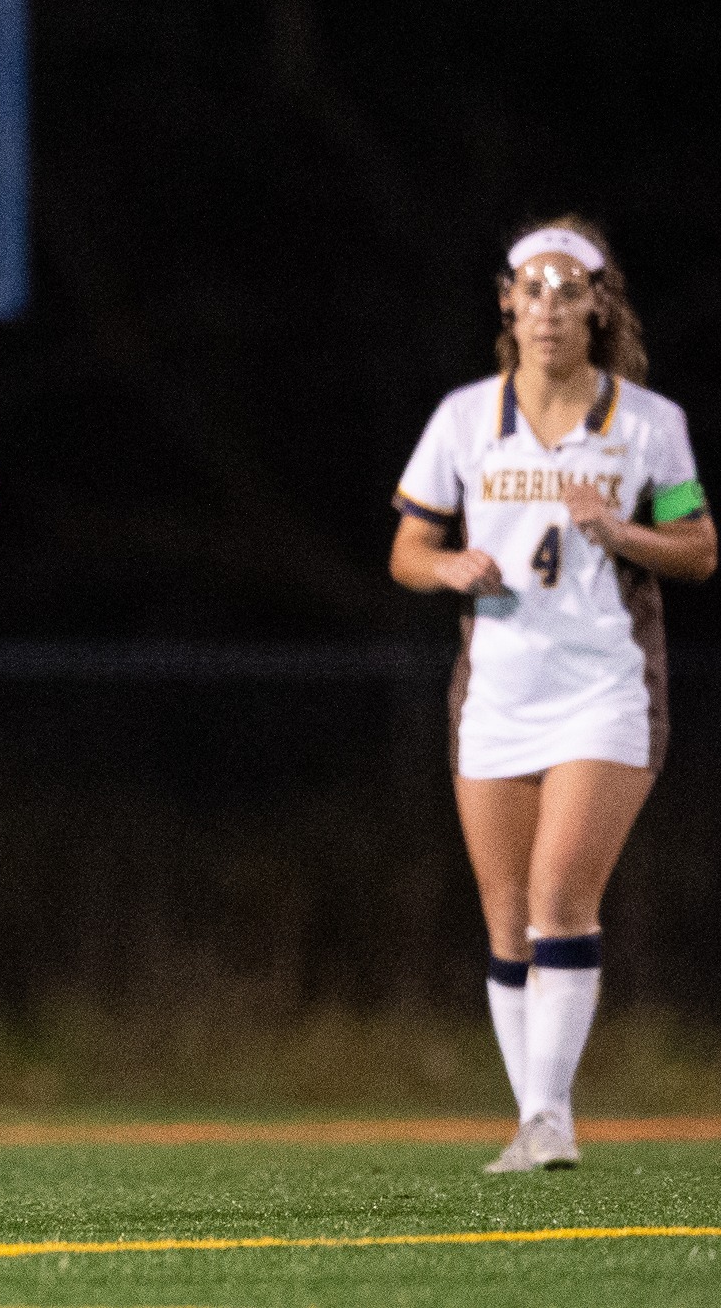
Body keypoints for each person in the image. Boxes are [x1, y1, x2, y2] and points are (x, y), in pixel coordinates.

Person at [389, 216, 713, 1172]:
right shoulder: (463, 417)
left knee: (559, 896)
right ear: (507, 301)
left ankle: (550, 1117)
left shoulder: (649, 424)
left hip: (605, 687)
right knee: (505, 917)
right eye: (530, 289)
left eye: (568, 289)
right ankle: (536, 1117)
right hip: (497, 688)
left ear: (598, 304)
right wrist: (449, 570)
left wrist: (620, 530)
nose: (547, 307)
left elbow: (698, 549)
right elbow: (407, 550)